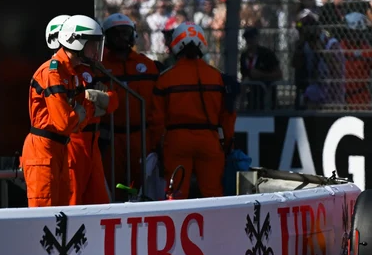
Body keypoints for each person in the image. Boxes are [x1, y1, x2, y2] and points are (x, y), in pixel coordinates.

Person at [21, 15, 105, 207]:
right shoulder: (52, 73)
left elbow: (79, 120)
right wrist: (81, 112)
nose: (95, 51)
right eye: (92, 44)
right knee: (44, 215)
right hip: (43, 150)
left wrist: (79, 113)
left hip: (60, 148)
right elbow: (64, 122)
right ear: (77, 42)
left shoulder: (71, 73)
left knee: (62, 213)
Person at [154, 22, 236, 199]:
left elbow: (157, 120)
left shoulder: (165, 78)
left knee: (175, 195)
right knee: (213, 194)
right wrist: (227, 142)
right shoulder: (218, 77)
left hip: (177, 141)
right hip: (210, 140)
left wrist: (158, 147)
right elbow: (228, 116)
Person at [100, 13, 162, 191]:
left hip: (141, 137)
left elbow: (157, 105)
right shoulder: (99, 66)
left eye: (125, 33)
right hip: (111, 138)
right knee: (112, 186)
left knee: (143, 186)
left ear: (133, 35)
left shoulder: (147, 65)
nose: (121, 38)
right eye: (115, 34)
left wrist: (156, 139)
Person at [67, 16, 119, 205]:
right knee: (72, 199)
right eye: (91, 45)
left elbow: (113, 101)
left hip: (93, 143)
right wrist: (94, 102)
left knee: (101, 201)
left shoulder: (97, 70)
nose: (96, 50)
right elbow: (72, 105)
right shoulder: (68, 71)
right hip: (73, 142)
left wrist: (96, 99)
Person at [296, 9, 346, 107]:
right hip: (314, 90)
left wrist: (321, 52)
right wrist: (299, 47)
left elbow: (336, 70)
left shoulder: (331, 44)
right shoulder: (305, 45)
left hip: (332, 93)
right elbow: (296, 65)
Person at [339, 12, 372, 107]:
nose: (356, 36)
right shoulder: (339, 47)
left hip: (360, 96)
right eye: (353, 33)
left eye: (359, 33)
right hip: (338, 95)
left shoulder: (367, 50)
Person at [240, 27, 283, 110]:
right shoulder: (244, 56)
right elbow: (244, 76)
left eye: (251, 38)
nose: (249, 41)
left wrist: (261, 75)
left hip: (266, 95)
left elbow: (279, 74)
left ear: (257, 38)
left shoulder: (266, 54)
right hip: (252, 98)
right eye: (247, 38)